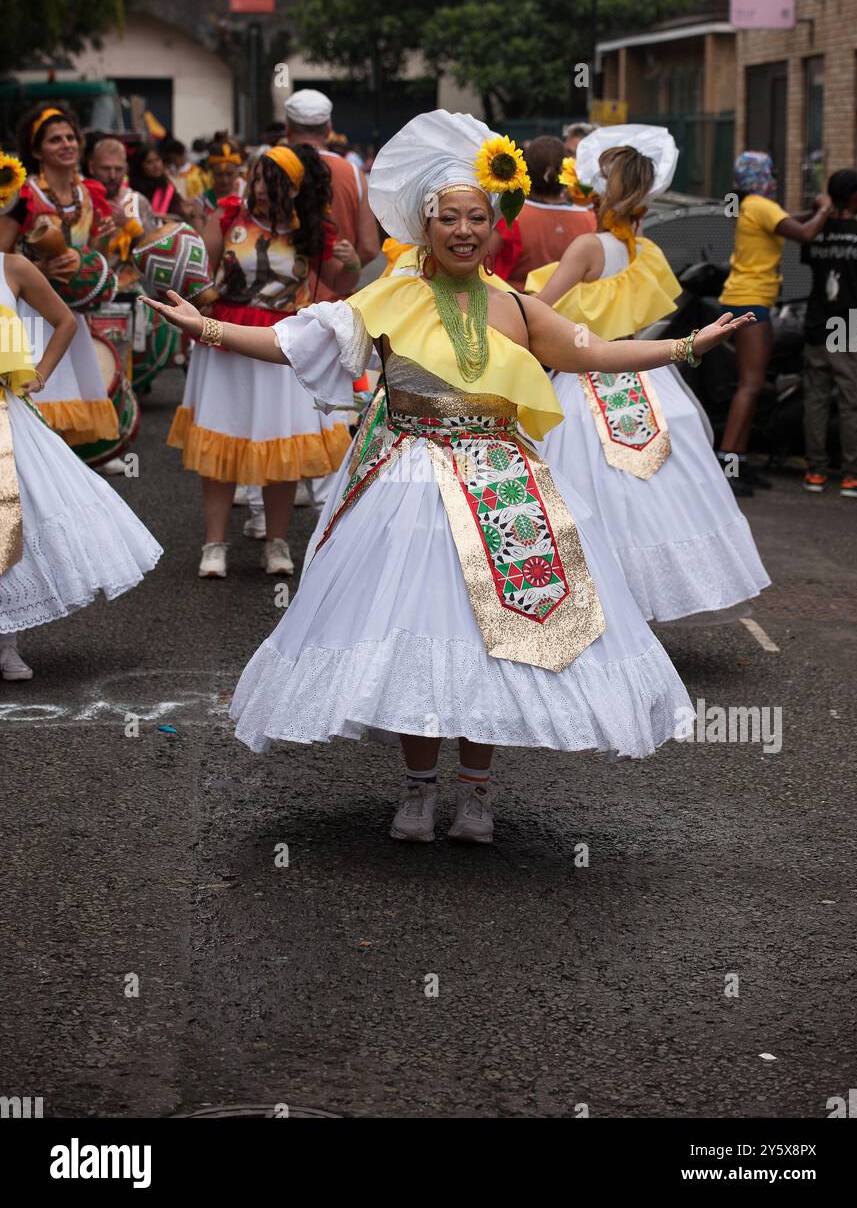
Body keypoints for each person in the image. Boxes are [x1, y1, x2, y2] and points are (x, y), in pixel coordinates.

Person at [141, 110, 754, 845]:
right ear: (426, 228)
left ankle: (476, 796)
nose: (464, 231)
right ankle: (417, 789)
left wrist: (689, 343)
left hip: (507, 487)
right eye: (449, 219)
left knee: (498, 647)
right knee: (418, 637)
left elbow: (592, 352)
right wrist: (205, 327)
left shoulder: (519, 306)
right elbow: (290, 338)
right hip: (411, 488)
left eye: (476, 219)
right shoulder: (391, 298)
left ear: (495, 227)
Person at [527, 125, 770, 622]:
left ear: (595, 190)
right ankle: (646, 601)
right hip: (646, 377)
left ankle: (593, 605)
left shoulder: (587, 249)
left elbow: (537, 310)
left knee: (588, 496)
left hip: (585, 378)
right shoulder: (644, 249)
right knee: (647, 500)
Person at [165, 145, 352, 578]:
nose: (263, 188)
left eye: (275, 181)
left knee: (279, 441)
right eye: (258, 178)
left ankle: (277, 542)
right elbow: (197, 275)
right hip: (225, 344)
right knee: (222, 438)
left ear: (296, 187)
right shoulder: (229, 215)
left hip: (282, 347)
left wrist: (352, 265)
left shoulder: (312, 229)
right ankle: (214, 545)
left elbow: (331, 292)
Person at [0, 248, 162, 681]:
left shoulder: (11, 266)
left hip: (4, 413)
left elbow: (65, 322)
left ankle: (6, 642)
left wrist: (40, 373)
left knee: (12, 523)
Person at [0, 105, 119, 447]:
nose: (66, 144)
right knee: (37, 406)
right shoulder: (23, 196)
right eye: (55, 140)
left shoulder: (90, 194)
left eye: (70, 137)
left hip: (71, 315)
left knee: (70, 410)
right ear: (36, 151)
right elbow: (1, 257)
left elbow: (92, 259)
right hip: (30, 316)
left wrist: (102, 246)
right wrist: (40, 270)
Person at [717, 151, 832, 490]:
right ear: (762, 175)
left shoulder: (749, 205)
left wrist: (811, 213)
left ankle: (738, 461)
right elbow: (805, 234)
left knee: (753, 383)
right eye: (772, 172)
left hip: (744, 298)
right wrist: (824, 208)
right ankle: (728, 464)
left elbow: (785, 221)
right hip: (752, 301)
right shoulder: (761, 205)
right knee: (750, 384)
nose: (777, 178)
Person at [800, 168, 857, 497]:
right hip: (852, 326)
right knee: (853, 403)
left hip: (816, 323)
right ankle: (854, 476)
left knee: (816, 399)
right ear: (856, 196)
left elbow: (807, 262)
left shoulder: (817, 233)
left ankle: (815, 472)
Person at [283, 89, 378, 301]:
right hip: (333, 305)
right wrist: (342, 273)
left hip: (276, 302)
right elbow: (370, 248)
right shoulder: (353, 173)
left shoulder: (268, 168)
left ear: (287, 129)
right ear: (328, 129)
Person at [488, 135, 596, 289]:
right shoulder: (589, 220)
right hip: (568, 310)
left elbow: (483, 266)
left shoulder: (512, 216)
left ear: (525, 170)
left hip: (518, 307)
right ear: (567, 171)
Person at [129, 144, 184, 219]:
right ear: (140, 166)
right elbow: (128, 216)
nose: (156, 165)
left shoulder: (167, 187)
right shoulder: (131, 191)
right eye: (149, 162)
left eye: (157, 160)